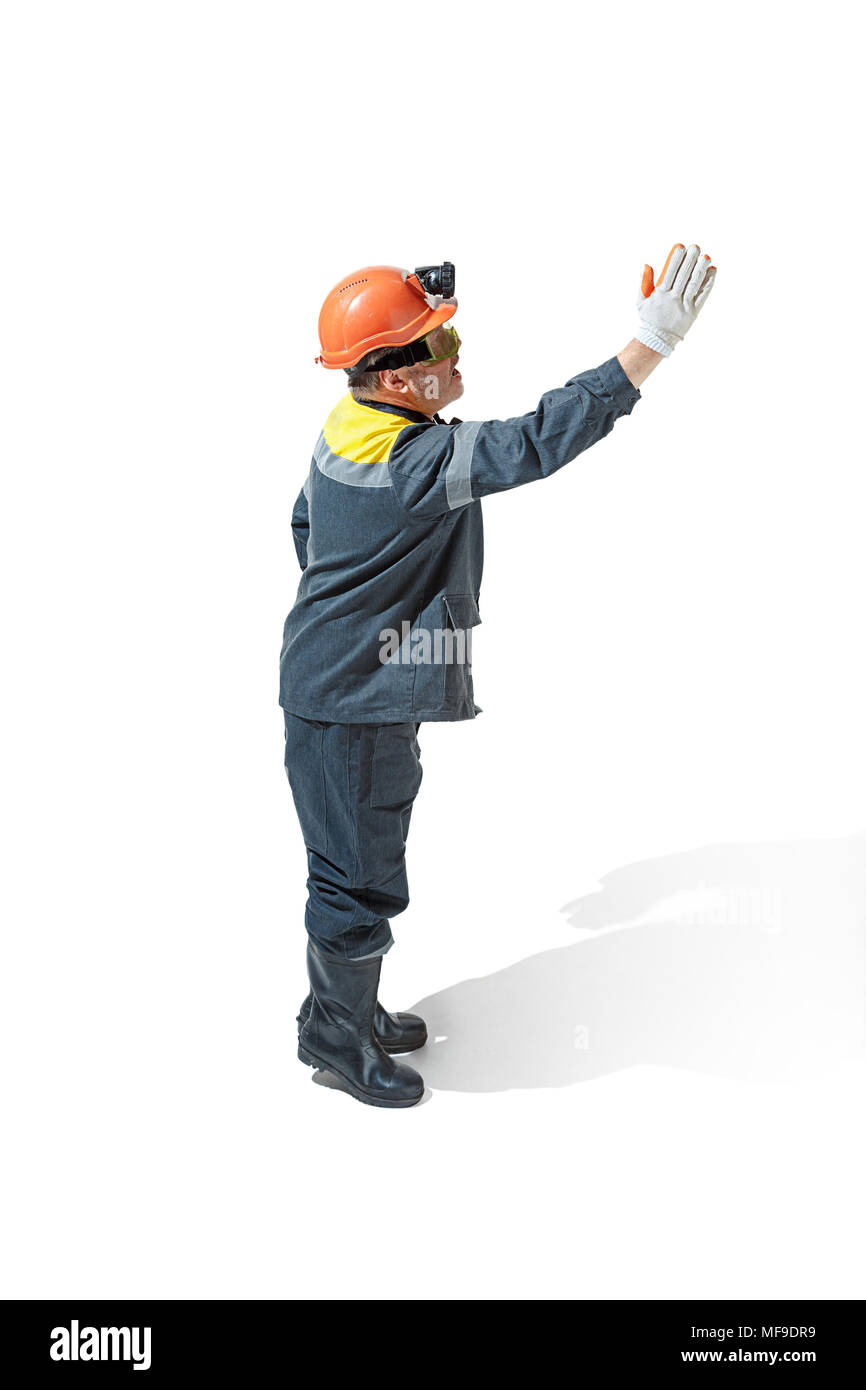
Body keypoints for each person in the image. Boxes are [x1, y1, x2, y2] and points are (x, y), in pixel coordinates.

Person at [280, 246, 717, 1108]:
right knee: (356, 872)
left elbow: (304, 527)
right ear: (394, 374)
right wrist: (647, 347)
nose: (455, 357)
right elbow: (532, 444)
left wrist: (365, 623)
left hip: (346, 685)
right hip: (351, 700)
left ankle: (348, 1009)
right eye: (438, 347)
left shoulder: (350, 430)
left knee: (360, 850)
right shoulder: (410, 467)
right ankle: (334, 1036)